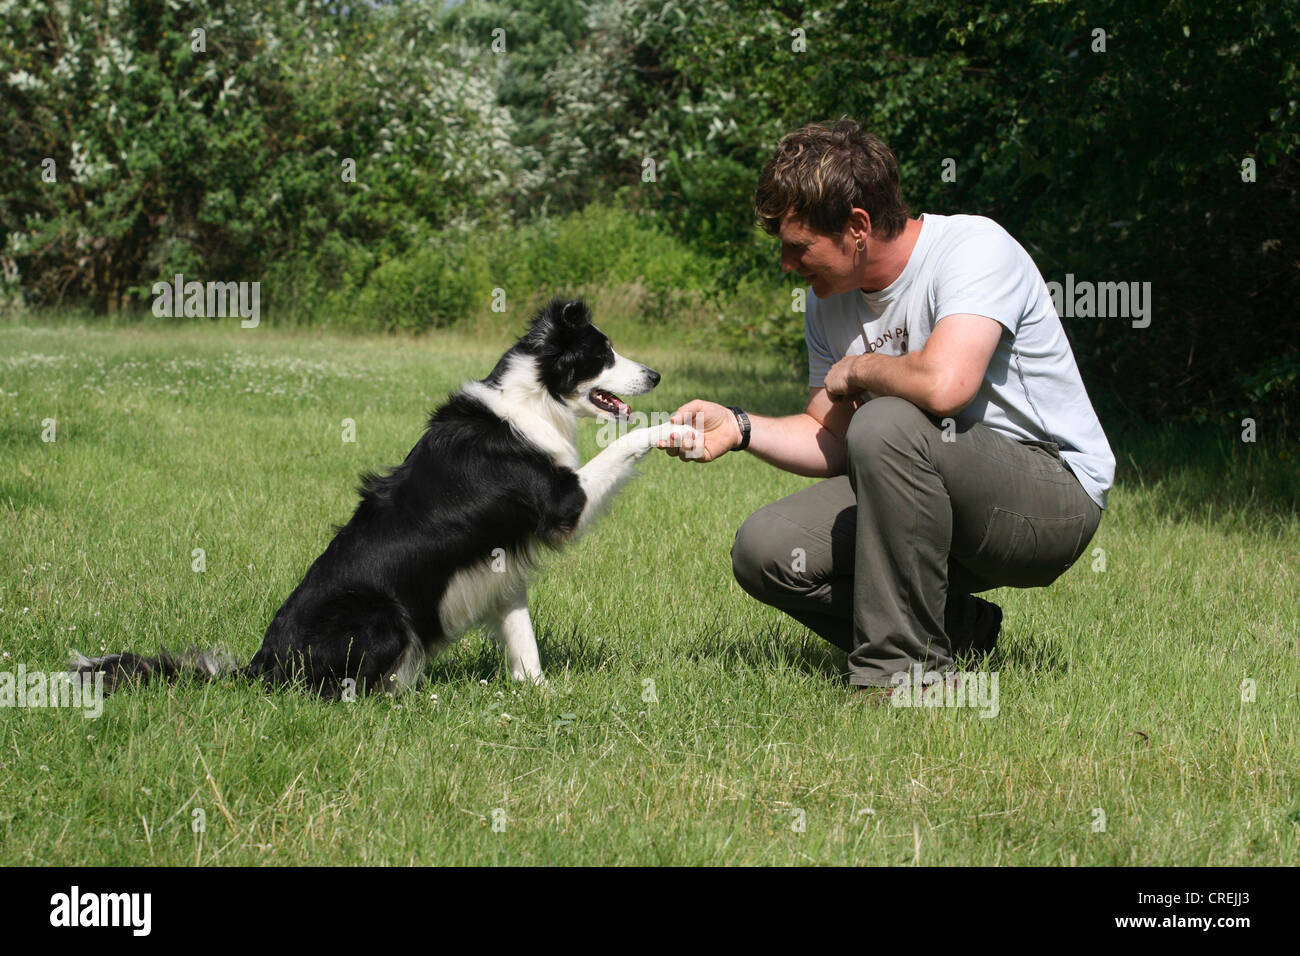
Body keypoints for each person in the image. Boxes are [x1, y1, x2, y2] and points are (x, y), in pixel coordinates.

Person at [661, 119, 1115, 696]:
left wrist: (859, 368)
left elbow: (945, 386)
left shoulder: (974, 249)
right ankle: (955, 631)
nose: (785, 263)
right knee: (768, 550)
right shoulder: (828, 302)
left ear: (857, 227)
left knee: (886, 421)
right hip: (932, 498)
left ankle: (908, 676)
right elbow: (829, 433)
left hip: (1051, 498)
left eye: (798, 246)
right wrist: (742, 428)